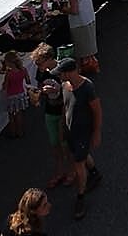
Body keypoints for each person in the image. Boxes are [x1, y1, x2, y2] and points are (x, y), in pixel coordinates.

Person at [52, 58, 103, 220]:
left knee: (78, 164)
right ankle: (94, 173)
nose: (59, 76)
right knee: (80, 155)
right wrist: (61, 128)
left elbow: (97, 111)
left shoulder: (87, 87)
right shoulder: (65, 86)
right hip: (70, 131)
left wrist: (96, 133)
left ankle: (80, 198)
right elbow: (65, 108)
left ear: (70, 72)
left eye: (61, 73)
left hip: (82, 132)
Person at [30, 44, 73, 188]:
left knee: (66, 145)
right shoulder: (41, 72)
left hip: (63, 113)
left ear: (49, 59)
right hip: (49, 112)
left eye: (39, 63)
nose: (38, 66)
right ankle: (60, 172)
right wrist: (40, 92)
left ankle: (71, 172)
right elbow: (40, 87)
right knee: (55, 145)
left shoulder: (61, 71)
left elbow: (70, 93)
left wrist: (56, 89)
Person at [64, 0, 98, 71]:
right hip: (89, 19)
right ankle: (92, 63)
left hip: (80, 23)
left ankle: (80, 69)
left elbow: (74, 11)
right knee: (89, 44)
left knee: (81, 47)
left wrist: (64, 10)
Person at [2, 51, 29, 138]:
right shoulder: (23, 70)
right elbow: (28, 81)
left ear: (9, 63)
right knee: (19, 114)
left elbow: (5, 87)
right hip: (20, 94)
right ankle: (20, 131)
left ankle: (13, 132)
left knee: (11, 115)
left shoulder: (9, 74)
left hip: (11, 96)